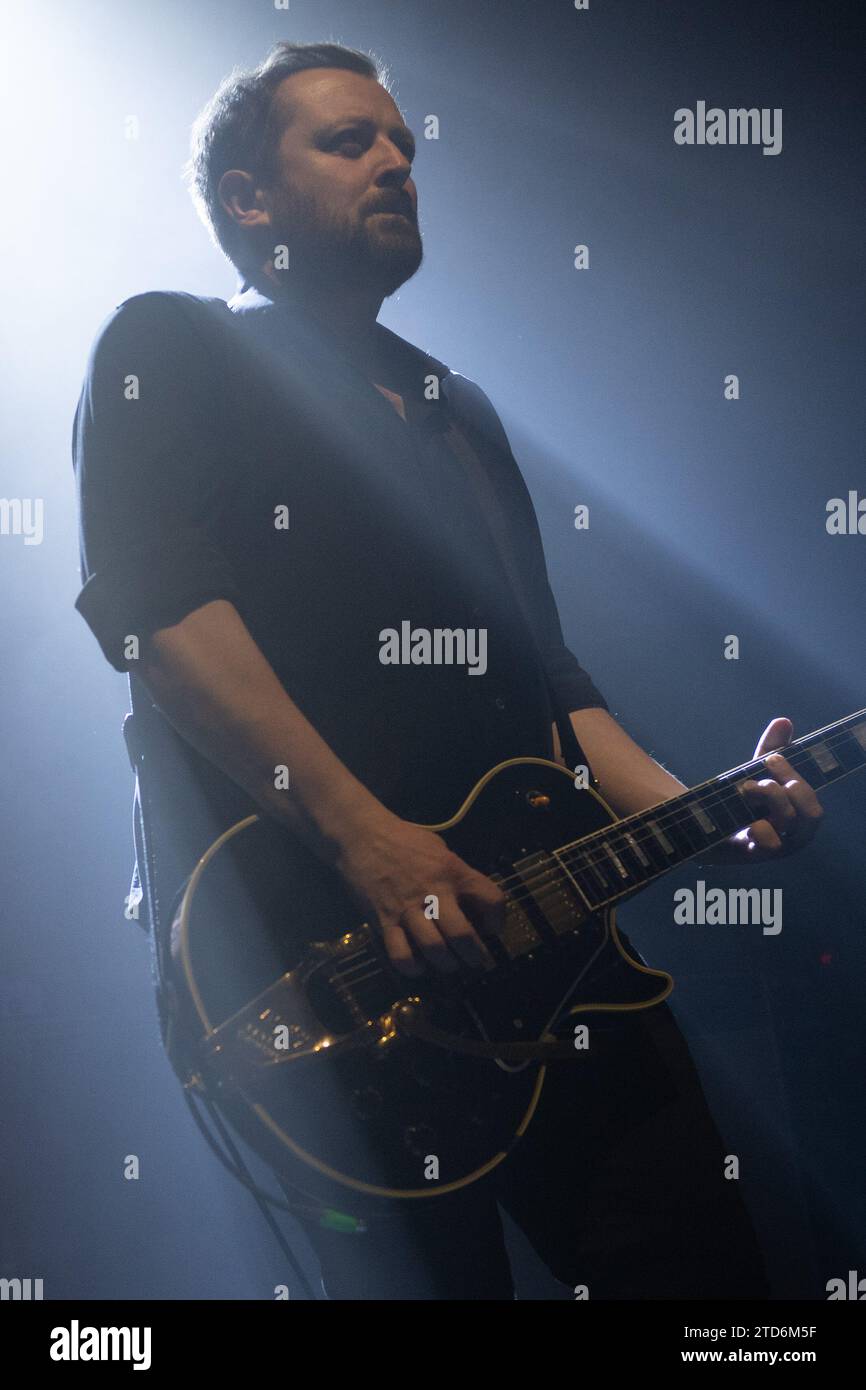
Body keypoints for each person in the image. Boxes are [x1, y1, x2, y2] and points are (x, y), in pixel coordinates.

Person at [72, 41, 823, 1299]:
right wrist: (373, 845)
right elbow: (156, 616)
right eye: (348, 141)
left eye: (406, 145)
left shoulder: (453, 410)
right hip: (333, 977)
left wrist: (713, 808)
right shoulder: (174, 346)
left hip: (560, 965)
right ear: (249, 200)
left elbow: (554, 691)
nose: (395, 164)